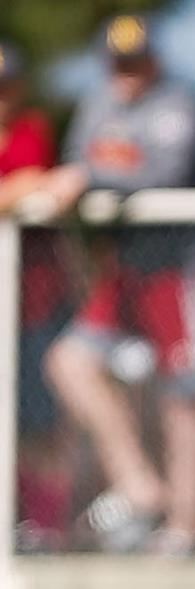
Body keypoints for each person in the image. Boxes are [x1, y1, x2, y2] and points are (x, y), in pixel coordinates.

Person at [37, 14, 195, 556]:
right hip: (122, 271)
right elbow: (76, 159)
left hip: (175, 268)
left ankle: (183, 528)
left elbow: (162, 172)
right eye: (118, 64)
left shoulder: (179, 105)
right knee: (70, 361)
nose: (127, 74)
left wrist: (95, 173)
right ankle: (138, 484)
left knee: (182, 397)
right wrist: (94, 170)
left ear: (154, 60)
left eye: (136, 62)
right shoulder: (98, 104)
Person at [0, 42, 72, 552]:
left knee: (39, 419)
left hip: (37, 303)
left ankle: (43, 524)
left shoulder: (33, 131)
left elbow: (36, 182)